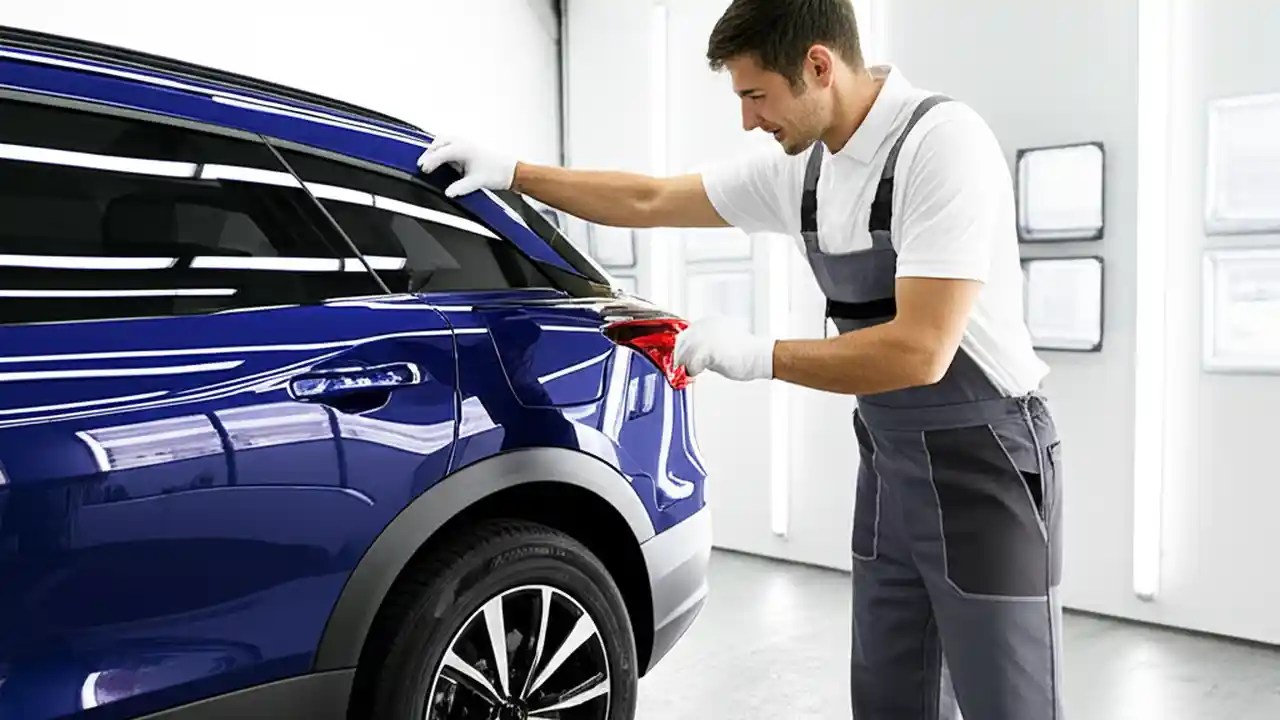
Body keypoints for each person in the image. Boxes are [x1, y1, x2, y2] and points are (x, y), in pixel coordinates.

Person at [417, 0, 1064, 717]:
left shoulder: (940, 145)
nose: (749, 120)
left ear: (818, 66)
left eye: (756, 95)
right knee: (890, 693)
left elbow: (921, 352)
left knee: (1008, 699)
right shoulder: (807, 172)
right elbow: (650, 198)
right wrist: (514, 172)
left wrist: (756, 355)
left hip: (984, 463)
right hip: (891, 461)